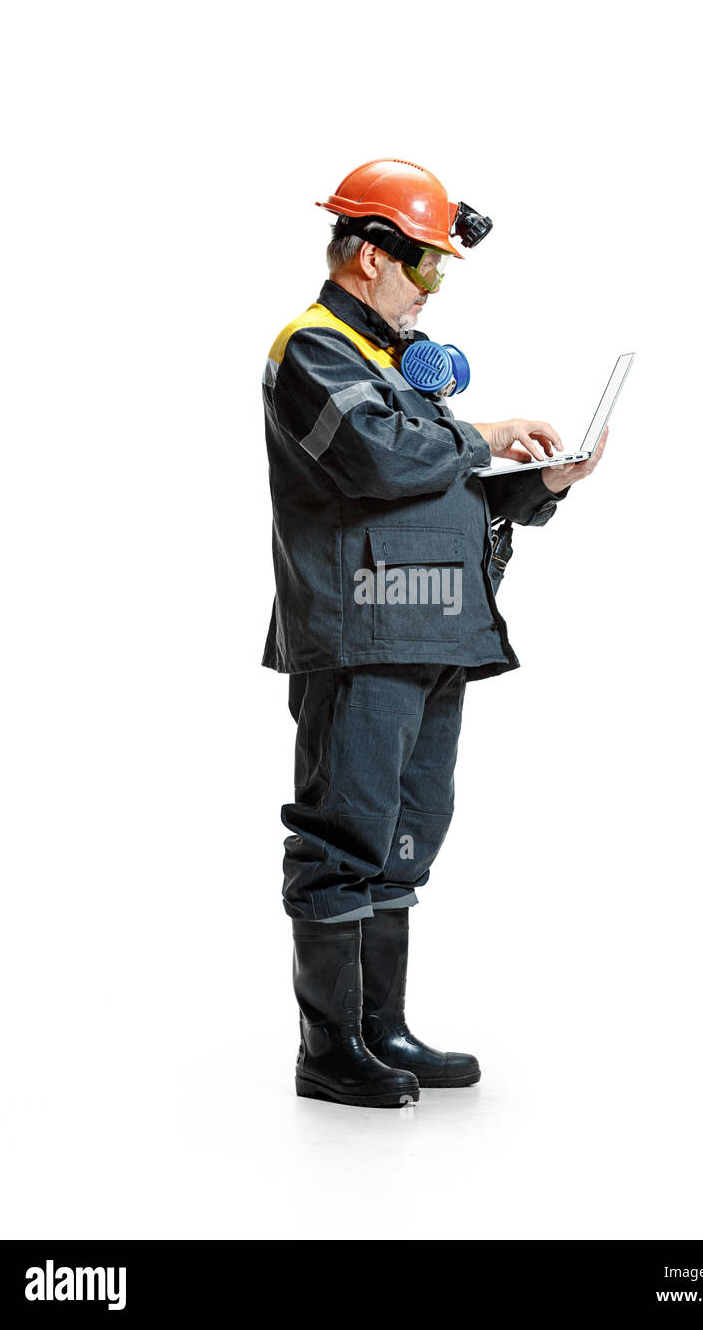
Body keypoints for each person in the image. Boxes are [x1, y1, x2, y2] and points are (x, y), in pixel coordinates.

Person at [261, 158, 607, 1108]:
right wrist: (483, 434)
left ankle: (383, 1031)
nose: (433, 286)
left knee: (409, 831)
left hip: (430, 631)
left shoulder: (390, 365)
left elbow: (431, 484)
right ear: (371, 255)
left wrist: (540, 485)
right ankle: (328, 1051)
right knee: (344, 833)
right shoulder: (313, 350)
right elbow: (376, 458)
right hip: (361, 632)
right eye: (428, 266)